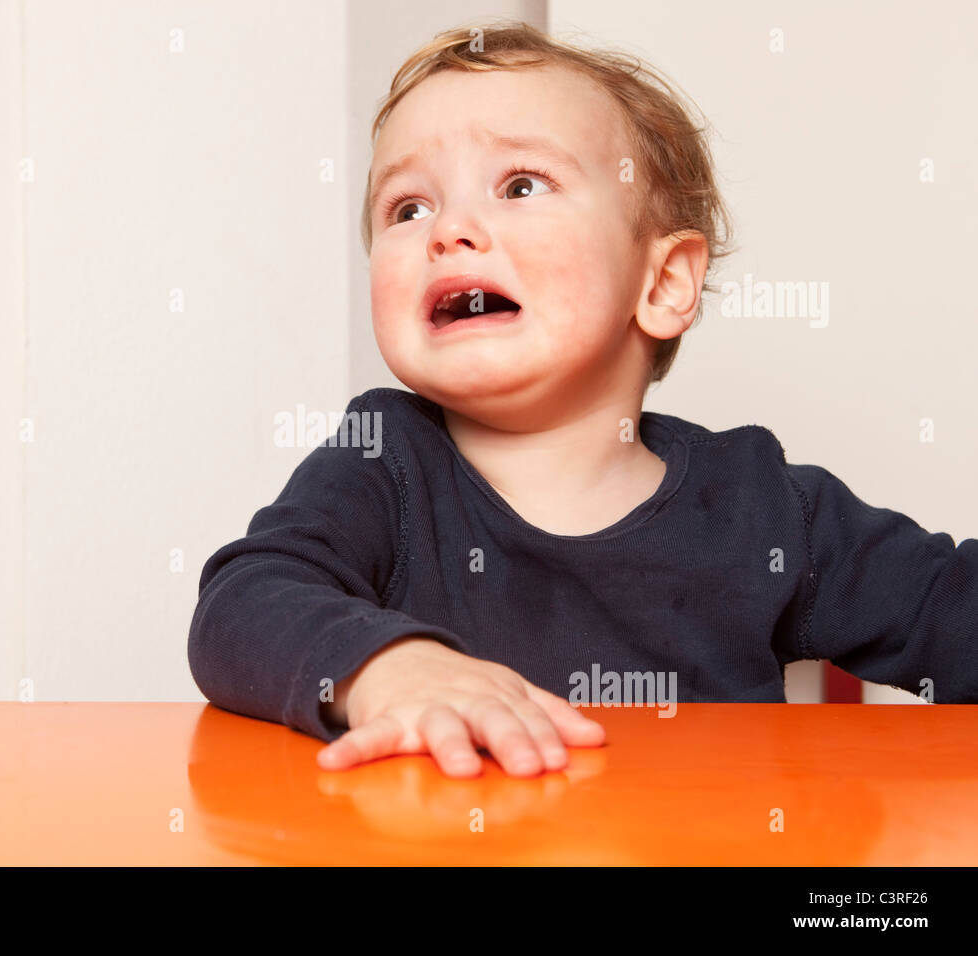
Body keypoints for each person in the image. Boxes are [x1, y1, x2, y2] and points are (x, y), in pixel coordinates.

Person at [188, 19, 978, 779]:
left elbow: (951, 612)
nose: (448, 230)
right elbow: (240, 606)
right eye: (408, 208)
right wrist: (387, 669)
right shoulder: (383, 460)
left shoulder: (761, 503)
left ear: (663, 283)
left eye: (520, 184)